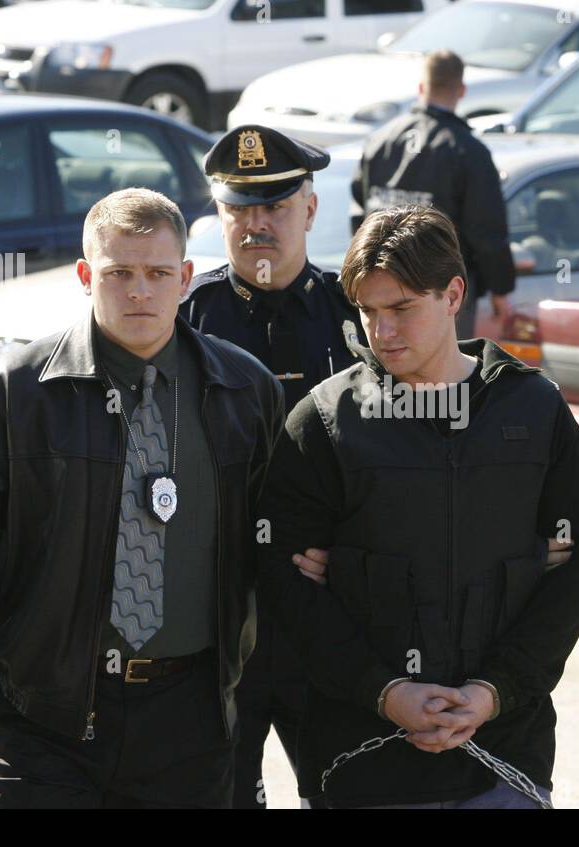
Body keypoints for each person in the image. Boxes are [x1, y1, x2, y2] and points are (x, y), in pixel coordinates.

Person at [0, 188, 283, 808]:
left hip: (189, 725)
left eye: (157, 274)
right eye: (119, 273)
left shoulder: (244, 390)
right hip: (37, 722)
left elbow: (281, 550)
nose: (140, 291)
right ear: (86, 276)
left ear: (186, 277)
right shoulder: (9, 397)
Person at [257, 205, 579, 808]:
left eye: (401, 308)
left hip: (504, 761)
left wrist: (494, 692)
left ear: (453, 295)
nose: (381, 331)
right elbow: (286, 588)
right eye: (367, 312)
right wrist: (386, 692)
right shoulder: (323, 422)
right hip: (359, 763)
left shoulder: (534, 411)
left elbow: (572, 576)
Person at [180, 125, 364, 808]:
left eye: (275, 208)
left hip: (332, 620)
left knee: (345, 792)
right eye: (240, 209)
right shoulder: (184, 323)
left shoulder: (357, 319)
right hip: (221, 625)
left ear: (310, 211)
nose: (256, 225)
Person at [351, 49, 515, 340]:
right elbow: (487, 230)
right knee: (445, 380)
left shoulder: (379, 140)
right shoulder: (468, 151)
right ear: (461, 90)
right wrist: (501, 290)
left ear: (421, 88)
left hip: (380, 285)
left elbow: (358, 216)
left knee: (387, 377)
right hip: (438, 293)